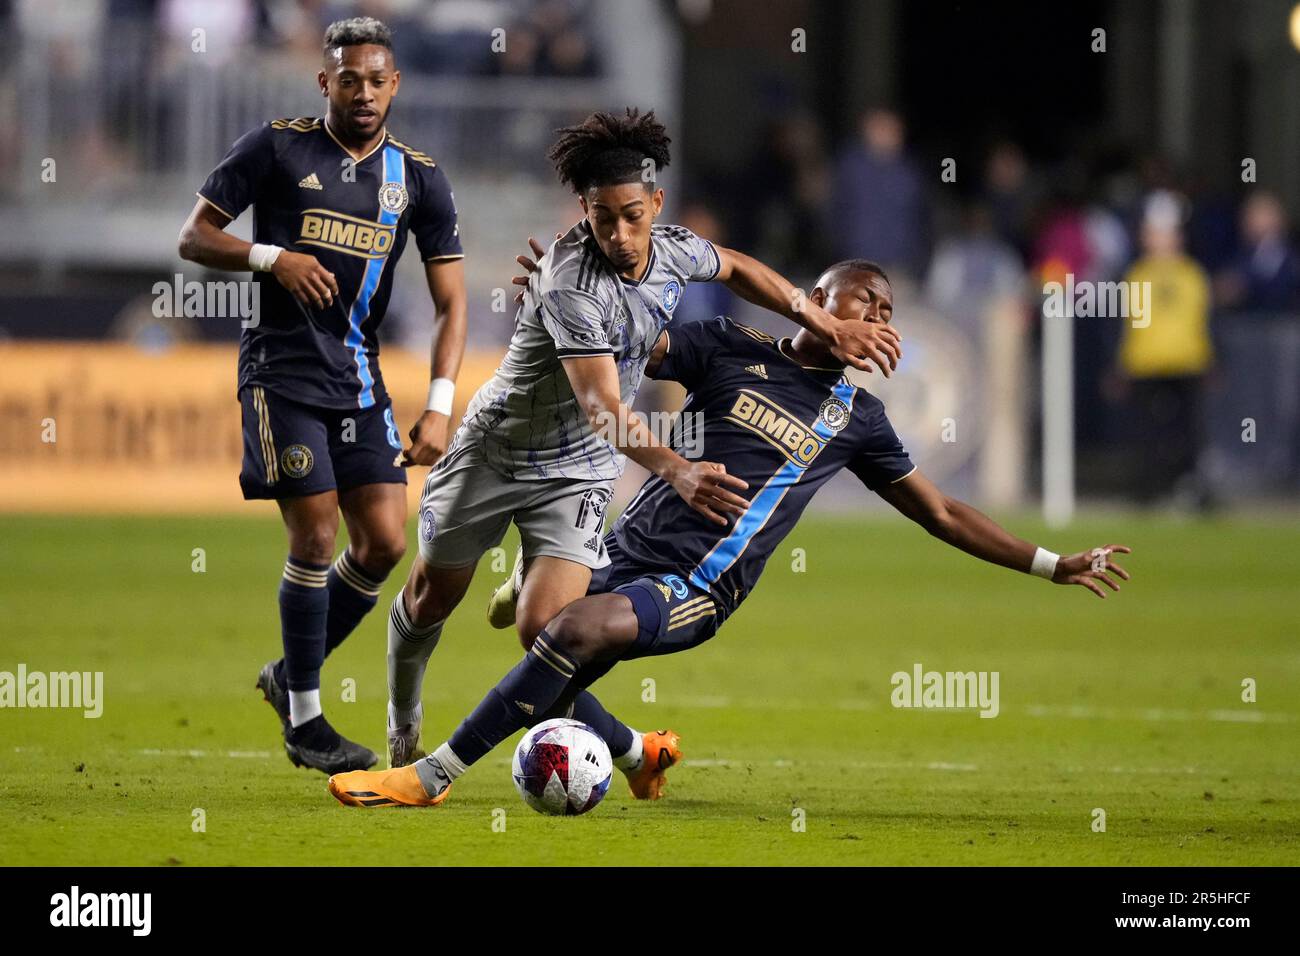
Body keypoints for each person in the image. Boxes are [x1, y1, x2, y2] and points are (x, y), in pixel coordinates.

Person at [326, 259, 1132, 808]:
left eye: (891, 311)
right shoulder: (728, 348)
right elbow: (631, 341)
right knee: (543, 634)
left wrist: (1052, 563)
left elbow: (944, 512)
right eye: (867, 302)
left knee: (567, 629)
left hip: (698, 585)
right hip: (623, 547)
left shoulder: (858, 418)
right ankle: (643, 755)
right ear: (816, 298)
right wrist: (569, 294)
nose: (881, 319)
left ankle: (428, 777)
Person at [380, 108, 903, 771]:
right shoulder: (570, 282)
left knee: (548, 631)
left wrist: (817, 322)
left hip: (579, 469)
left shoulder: (677, 248)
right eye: (604, 218)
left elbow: (739, 268)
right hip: (499, 448)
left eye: (634, 215)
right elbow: (603, 406)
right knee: (432, 597)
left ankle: (437, 769)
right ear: (584, 208)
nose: (622, 234)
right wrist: (678, 468)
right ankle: (407, 727)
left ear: (656, 202)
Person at [176, 17, 468, 772]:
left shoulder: (420, 178)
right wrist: (272, 257)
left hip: (360, 380)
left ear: (394, 84)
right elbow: (194, 237)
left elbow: (453, 303)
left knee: (385, 543)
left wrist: (439, 401)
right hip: (281, 373)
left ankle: (287, 674)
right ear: (324, 82)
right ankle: (307, 720)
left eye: (377, 80)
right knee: (314, 536)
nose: (363, 93)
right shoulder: (276, 147)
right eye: (349, 79)